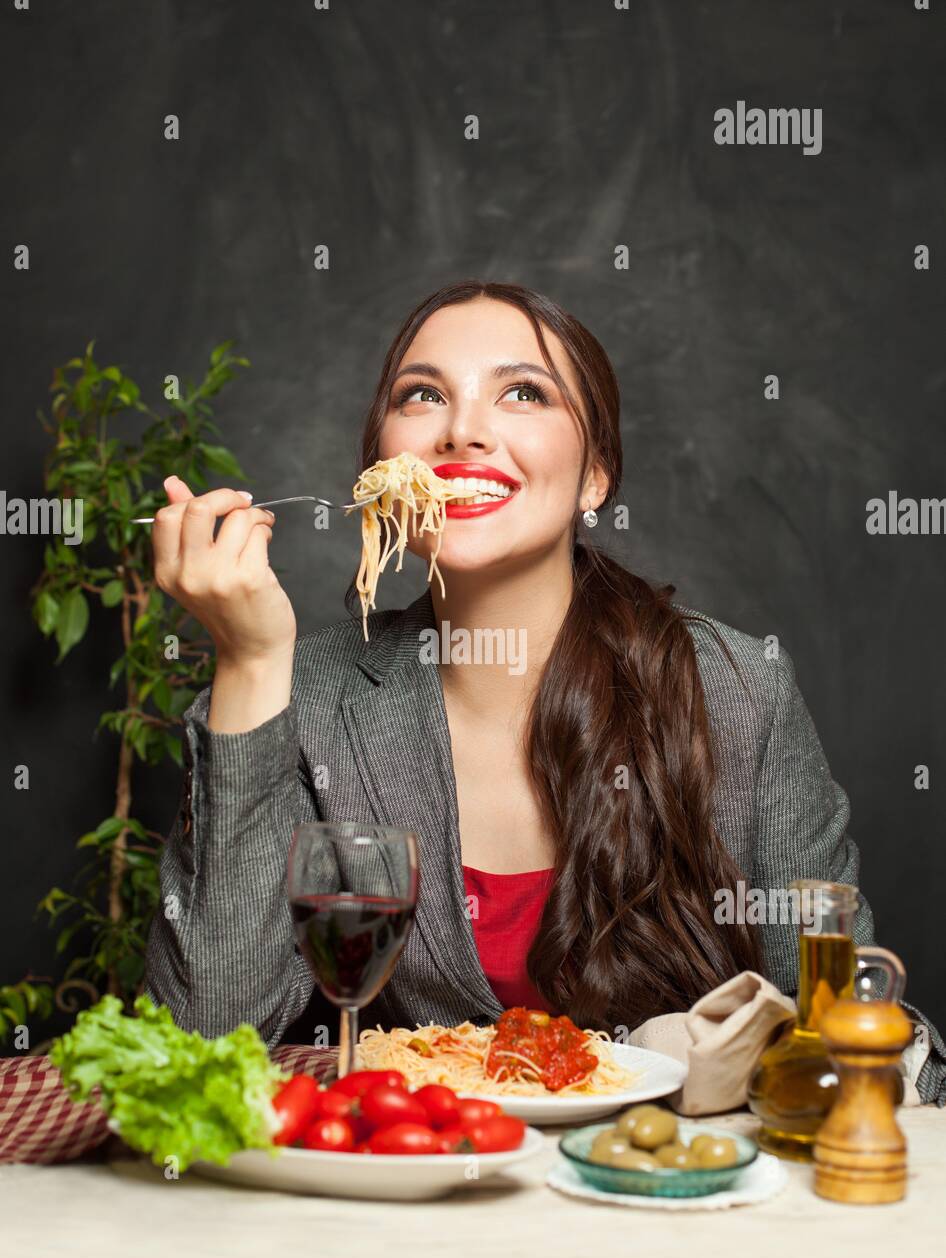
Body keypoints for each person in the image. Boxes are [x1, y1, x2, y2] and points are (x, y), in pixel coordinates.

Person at [143, 279, 945, 1105]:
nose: (463, 430)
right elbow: (200, 1047)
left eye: (523, 392)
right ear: (380, 466)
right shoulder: (304, 692)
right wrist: (245, 662)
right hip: (424, 1193)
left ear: (596, 475)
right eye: (423, 396)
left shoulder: (737, 689)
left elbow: (843, 1036)